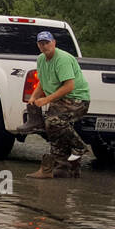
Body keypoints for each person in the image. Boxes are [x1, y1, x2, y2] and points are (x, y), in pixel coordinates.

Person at [26, 29, 91, 179]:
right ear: (38, 45)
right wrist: (33, 97)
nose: (44, 46)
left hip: (77, 98)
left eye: (47, 42)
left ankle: (79, 146)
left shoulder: (62, 59)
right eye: (41, 43)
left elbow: (69, 86)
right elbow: (42, 82)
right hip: (59, 100)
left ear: (54, 43)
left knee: (53, 122)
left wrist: (46, 100)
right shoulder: (41, 59)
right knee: (53, 131)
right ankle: (63, 168)